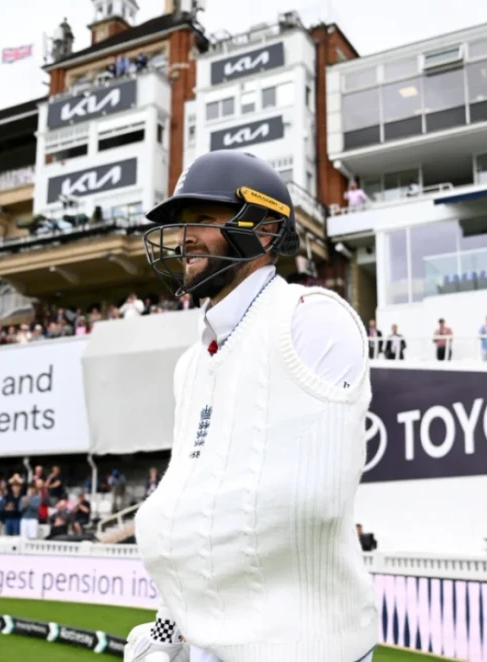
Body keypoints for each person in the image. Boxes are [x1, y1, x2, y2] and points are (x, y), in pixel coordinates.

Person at [134, 151, 377, 662]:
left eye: (202, 219)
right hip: (211, 646)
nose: (183, 238)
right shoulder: (192, 364)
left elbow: (309, 505)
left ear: (264, 231)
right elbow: (192, 502)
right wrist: (171, 626)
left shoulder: (311, 319)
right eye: (181, 224)